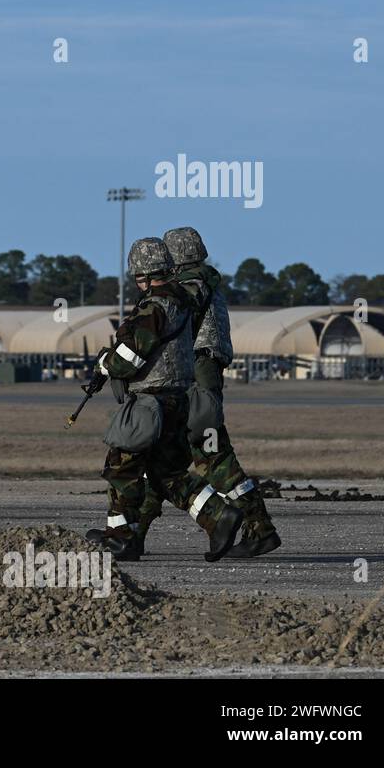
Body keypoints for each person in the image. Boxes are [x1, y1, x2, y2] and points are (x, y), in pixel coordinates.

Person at [85, 237, 243, 562]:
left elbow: (129, 359)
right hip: (177, 401)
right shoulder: (183, 302)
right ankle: (217, 514)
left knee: (120, 467)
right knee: (167, 474)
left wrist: (103, 364)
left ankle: (121, 536)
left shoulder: (154, 307)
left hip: (149, 404)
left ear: (141, 275)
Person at [139, 226, 281, 557]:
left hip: (195, 378)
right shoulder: (206, 281)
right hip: (204, 376)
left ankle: (256, 528)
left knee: (206, 455)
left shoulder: (191, 284)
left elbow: (172, 318)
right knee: (174, 454)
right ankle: (133, 532)